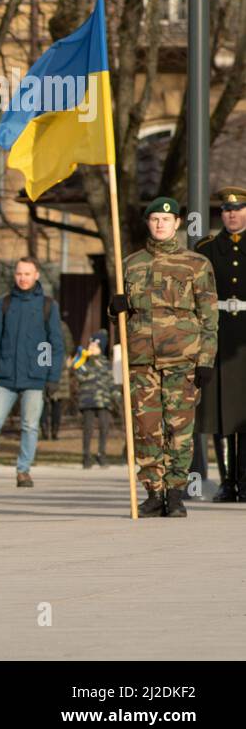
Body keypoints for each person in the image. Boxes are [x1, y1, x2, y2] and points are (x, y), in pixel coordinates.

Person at [109, 196, 218, 518]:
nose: (160, 224)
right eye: (155, 219)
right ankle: (154, 493)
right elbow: (120, 317)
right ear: (148, 223)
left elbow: (209, 316)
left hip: (182, 358)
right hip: (141, 358)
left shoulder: (196, 264)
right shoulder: (130, 264)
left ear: (177, 224)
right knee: (145, 429)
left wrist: (206, 360)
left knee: (180, 430)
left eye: (166, 220)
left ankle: (175, 493)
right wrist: (114, 309)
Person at [0, 256, 63, 489]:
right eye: (19, 273)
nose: (23, 278)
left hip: (34, 379)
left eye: (27, 274)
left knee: (30, 426)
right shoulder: (4, 304)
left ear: (36, 275)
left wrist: (50, 375)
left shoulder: (48, 305)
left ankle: (23, 471)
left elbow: (51, 344)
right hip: (5, 378)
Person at [194, 186, 246, 502]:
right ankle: (227, 482)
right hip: (219, 335)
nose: (232, 214)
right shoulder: (207, 249)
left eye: (238, 209)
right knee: (221, 415)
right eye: (227, 210)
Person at [74, 331, 113, 469]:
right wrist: (82, 359)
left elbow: (110, 382)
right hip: (87, 400)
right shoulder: (83, 361)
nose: (91, 347)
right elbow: (80, 376)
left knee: (104, 427)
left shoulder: (106, 363)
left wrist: (116, 398)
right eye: (90, 344)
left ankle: (101, 454)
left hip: (103, 401)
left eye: (95, 345)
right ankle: (86, 456)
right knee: (88, 429)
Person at [41, 318, 75, 441]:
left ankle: (45, 431)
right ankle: (54, 432)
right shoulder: (62, 325)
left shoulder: (37, 323)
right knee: (57, 402)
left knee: (43, 401)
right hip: (59, 365)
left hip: (42, 365)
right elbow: (69, 345)